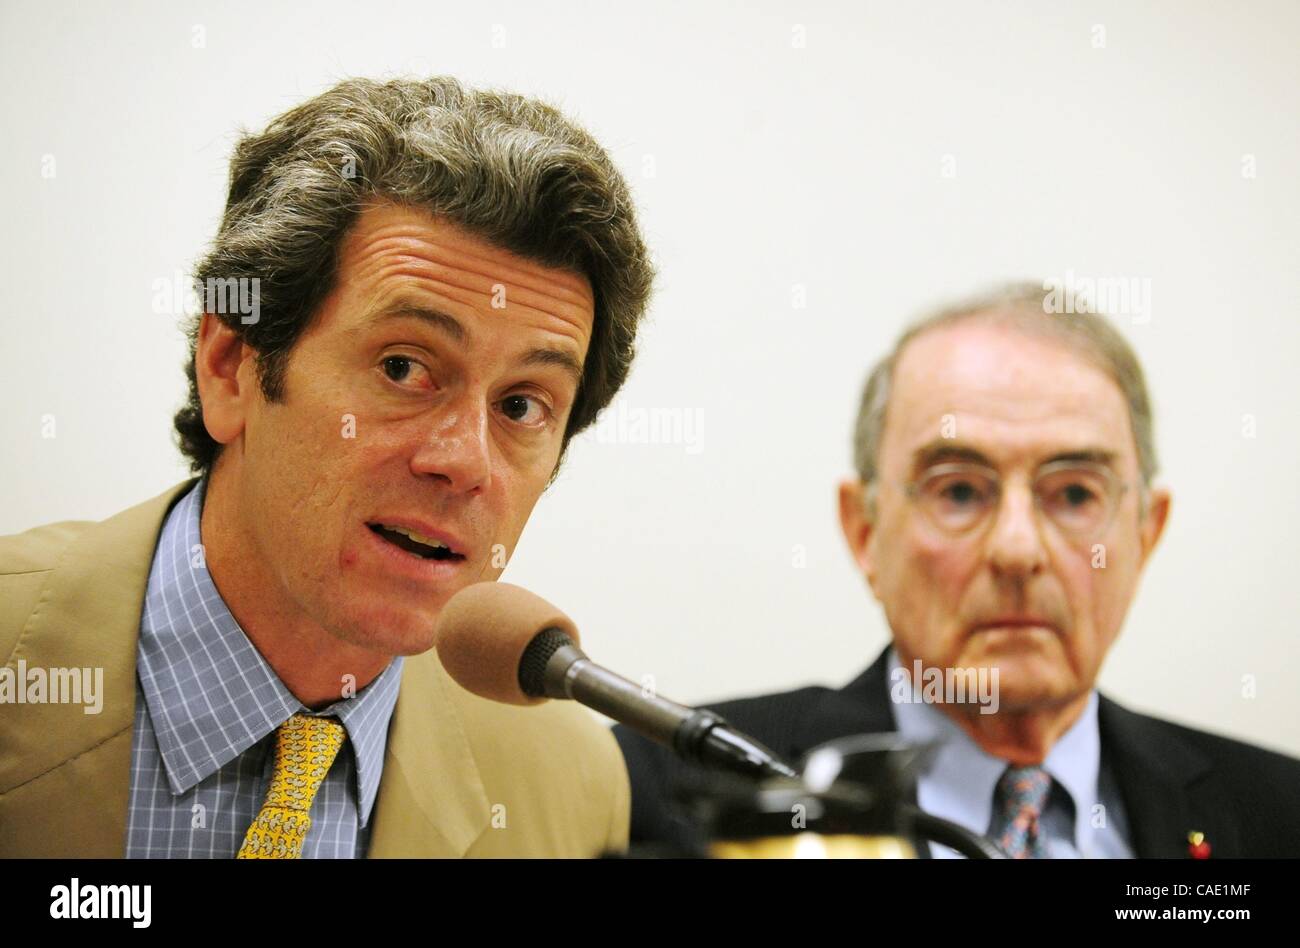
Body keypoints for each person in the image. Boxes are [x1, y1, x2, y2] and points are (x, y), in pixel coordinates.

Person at [0, 76, 653, 858]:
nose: (462, 462)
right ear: (231, 364)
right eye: (405, 367)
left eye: (521, 407)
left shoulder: (571, 785)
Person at [615, 283, 1300, 858]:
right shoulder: (664, 792)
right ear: (865, 531)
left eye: (1074, 495)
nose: (1017, 550)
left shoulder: (1277, 813)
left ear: (1145, 534)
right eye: (961, 491)